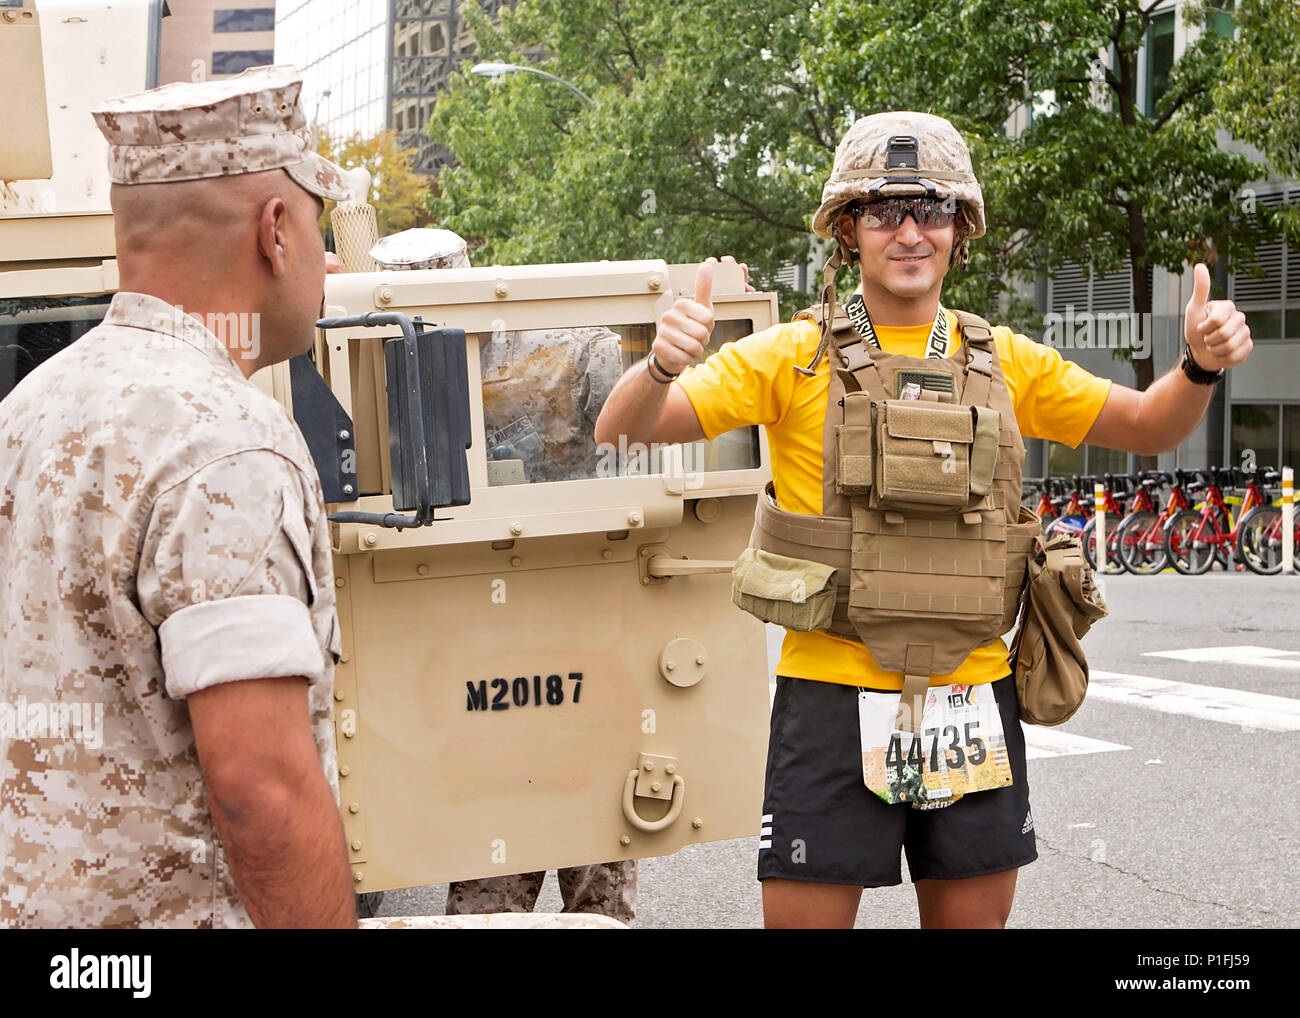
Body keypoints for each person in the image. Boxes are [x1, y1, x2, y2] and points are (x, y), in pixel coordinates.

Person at [595, 111, 1253, 929]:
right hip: (831, 695)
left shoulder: (1003, 359)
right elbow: (623, 429)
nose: (909, 232)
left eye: (930, 210)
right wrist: (661, 363)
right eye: (882, 211)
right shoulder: (792, 354)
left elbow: (1151, 425)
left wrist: (1197, 363)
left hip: (971, 695)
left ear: (959, 229)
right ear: (847, 230)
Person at [0, 66, 359, 927]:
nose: (329, 256)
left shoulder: (26, 410)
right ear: (276, 230)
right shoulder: (225, 441)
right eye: (320, 224)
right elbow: (259, 785)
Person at [364, 227, 636, 923]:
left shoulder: (565, 345)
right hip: (464, 631)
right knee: (486, 867)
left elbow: (635, 402)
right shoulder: (375, 356)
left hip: (577, 612)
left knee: (595, 859)